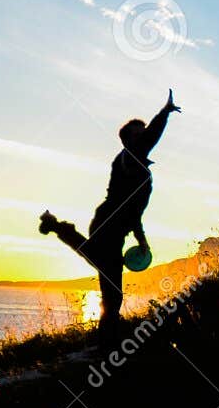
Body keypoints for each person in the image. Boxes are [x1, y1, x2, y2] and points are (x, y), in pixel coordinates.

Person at [39, 89, 180, 341]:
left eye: (143, 131)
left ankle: (57, 226)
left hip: (115, 228)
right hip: (107, 225)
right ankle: (108, 337)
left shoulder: (137, 165)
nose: (144, 136)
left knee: (105, 274)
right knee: (111, 287)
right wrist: (165, 112)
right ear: (128, 141)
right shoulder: (128, 158)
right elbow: (150, 138)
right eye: (139, 134)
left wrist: (141, 238)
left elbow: (135, 211)